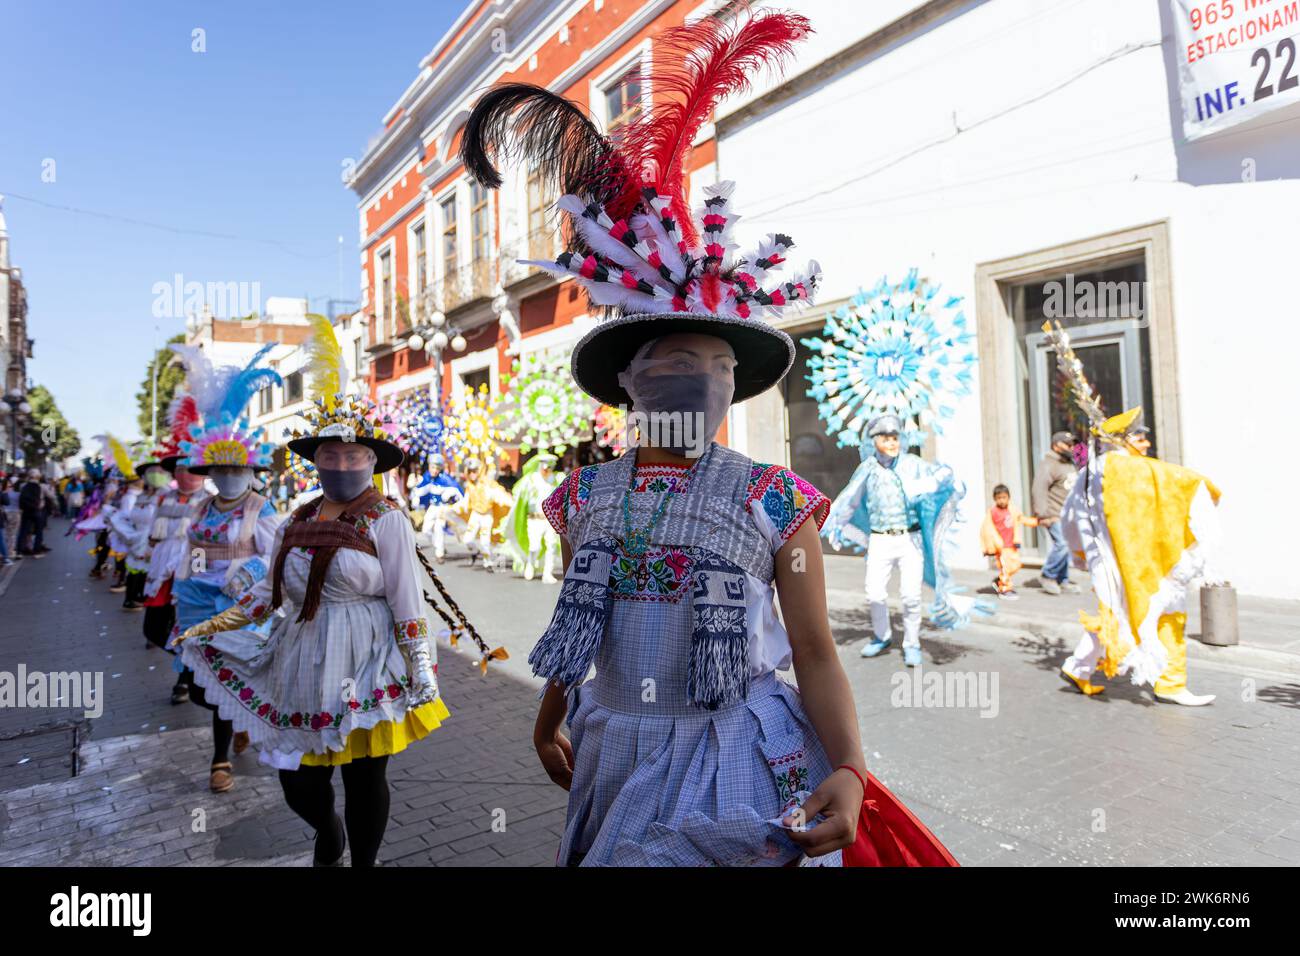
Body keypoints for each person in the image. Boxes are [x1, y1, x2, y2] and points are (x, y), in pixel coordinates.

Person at [463, 6, 957, 867]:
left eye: (716, 366)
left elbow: (812, 649)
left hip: (735, 748)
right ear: (629, 380)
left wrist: (848, 763)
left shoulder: (777, 501)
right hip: (612, 746)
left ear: (735, 383)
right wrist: (550, 713)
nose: (698, 379)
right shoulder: (580, 497)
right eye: (673, 360)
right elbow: (583, 616)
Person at [175, 349, 451, 867]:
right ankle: (328, 832)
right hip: (303, 650)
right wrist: (212, 626)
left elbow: (406, 598)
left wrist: (420, 671)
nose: (342, 465)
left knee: (366, 772)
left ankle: (362, 866)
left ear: (372, 462)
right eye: (331, 455)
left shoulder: (386, 519)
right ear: (316, 461)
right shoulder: (294, 520)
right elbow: (268, 592)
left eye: (353, 457)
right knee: (298, 777)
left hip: (367, 653)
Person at [166, 342, 283, 792]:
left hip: (240, 608)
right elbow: (187, 552)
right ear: (212, 469)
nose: (230, 474)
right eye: (222, 467)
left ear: (250, 469)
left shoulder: (261, 508)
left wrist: (248, 577)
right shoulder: (199, 507)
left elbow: (278, 559)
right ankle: (235, 722)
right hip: (196, 605)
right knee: (199, 685)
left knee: (227, 679)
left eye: (238, 467)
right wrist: (182, 582)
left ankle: (220, 760)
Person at [1058, 409, 1221, 705]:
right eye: (1139, 437)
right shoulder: (1130, 469)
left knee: (1115, 613)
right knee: (1160, 608)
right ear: (1123, 440)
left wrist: (1078, 553)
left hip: (1107, 563)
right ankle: (1171, 683)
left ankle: (1077, 667)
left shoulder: (1087, 472)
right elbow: (1180, 481)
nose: (1145, 444)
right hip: (1138, 562)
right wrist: (1206, 489)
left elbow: (1067, 518)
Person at [824, 415, 975, 666]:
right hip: (880, 540)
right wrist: (835, 526)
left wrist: (930, 482)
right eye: (885, 437)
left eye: (895, 437)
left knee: (911, 596)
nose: (892, 442)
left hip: (909, 540)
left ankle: (912, 643)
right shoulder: (867, 468)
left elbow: (946, 477)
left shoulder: (914, 465)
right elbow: (850, 500)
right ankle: (882, 637)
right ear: (874, 441)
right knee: (874, 593)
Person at [1031, 431, 1081, 596]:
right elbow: (1039, 490)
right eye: (1068, 444)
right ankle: (1048, 575)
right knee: (1062, 545)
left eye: (1072, 444)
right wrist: (1042, 514)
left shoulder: (1068, 462)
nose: (1071, 447)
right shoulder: (1049, 464)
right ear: (1056, 445)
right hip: (1053, 514)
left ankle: (1062, 580)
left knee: (1066, 548)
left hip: (1068, 515)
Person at [500, 453, 563, 582]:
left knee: (551, 545)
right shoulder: (531, 480)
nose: (546, 470)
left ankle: (547, 573)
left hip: (550, 520)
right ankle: (530, 563)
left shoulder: (557, 479)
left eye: (549, 467)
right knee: (535, 546)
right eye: (544, 467)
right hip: (534, 519)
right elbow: (519, 498)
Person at [980, 483, 1036, 600]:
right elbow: (986, 530)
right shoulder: (992, 512)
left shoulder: (1012, 510)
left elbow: (1021, 519)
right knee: (1005, 568)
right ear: (995, 499)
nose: (1001, 500)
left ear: (1008, 498)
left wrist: (1035, 522)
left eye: (1004, 497)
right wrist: (989, 548)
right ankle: (1005, 589)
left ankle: (999, 581)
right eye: (999, 498)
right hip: (1001, 546)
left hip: (1011, 544)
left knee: (1015, 565)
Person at [414, 453, 463, 561]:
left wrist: (449, 496)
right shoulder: (426, 477)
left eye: (437, 468)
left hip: (442, 508)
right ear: (429, 466)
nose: (435, 470)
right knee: (426, 530)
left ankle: (439, 554)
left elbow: (457, 491)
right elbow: (420, 490)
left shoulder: (445, 479)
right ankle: (438, 545)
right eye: (433, 467)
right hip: (432, 507)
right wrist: (416, 498)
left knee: (438, 528)